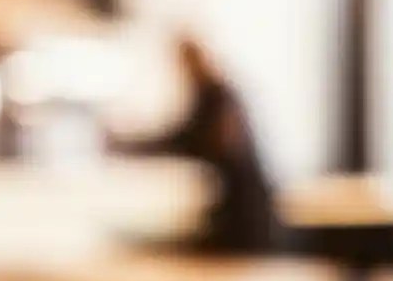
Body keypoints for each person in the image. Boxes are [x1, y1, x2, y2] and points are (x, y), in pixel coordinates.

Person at [113, 37, 283, 255]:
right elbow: (182, 137)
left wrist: (130, 145)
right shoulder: (214, 96)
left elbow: (185, 139)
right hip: (236, 207)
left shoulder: (218, 99)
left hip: (245, 211)